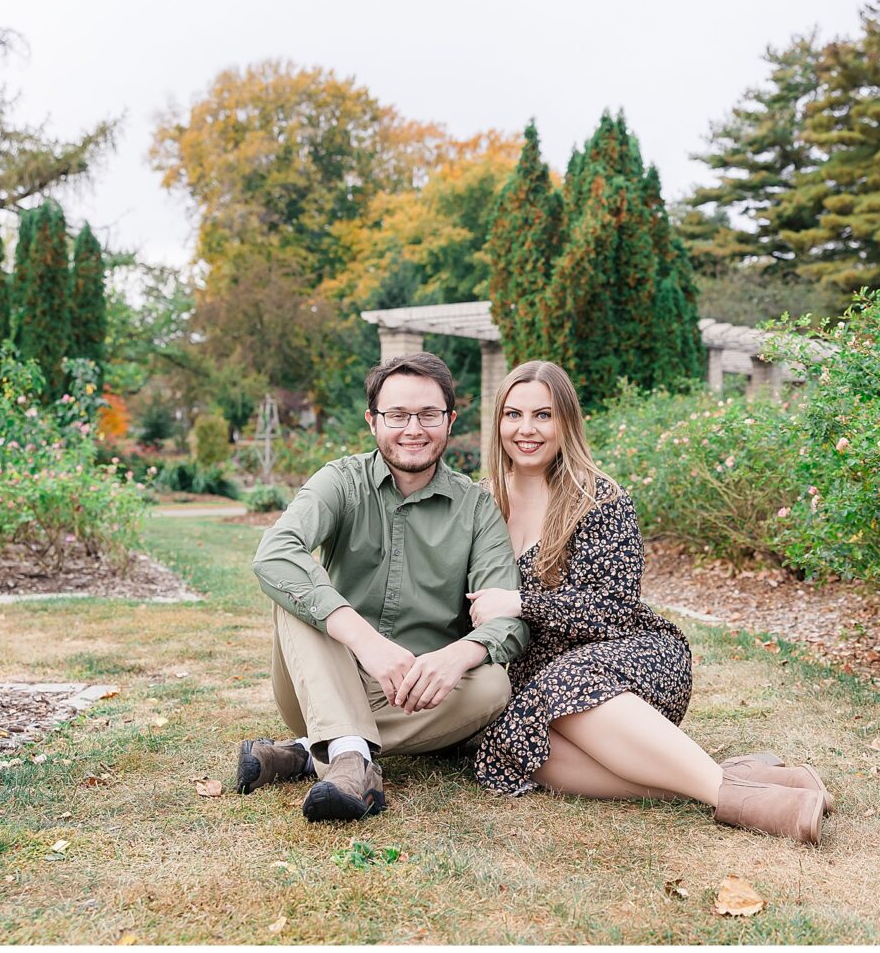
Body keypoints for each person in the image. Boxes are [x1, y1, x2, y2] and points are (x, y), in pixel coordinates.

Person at [468, 360, 830, 844]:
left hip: (630, 660)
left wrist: (519, 602)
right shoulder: (478, 502)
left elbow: (613, 607)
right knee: (508, 743)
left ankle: (747, 803)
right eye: (513, 415)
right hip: (537, 681)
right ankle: (734, 781)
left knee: (567, 680)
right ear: (498, 423)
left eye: (543, 415)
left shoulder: (600, 500)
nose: (526, 429)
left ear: (567, 422)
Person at [244, 352, 530, 822]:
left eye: (428, 415)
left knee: (493, 684)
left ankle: (318, 752)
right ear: (373, 421)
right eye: (397, 415)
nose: (412, 429)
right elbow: (274, 554)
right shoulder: (340, 481)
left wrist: (457, 655)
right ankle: (348, 750)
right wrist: (364, 639)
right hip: (321, 680)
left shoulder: (478, 508)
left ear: (450, 420)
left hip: (416, 695)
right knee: (299, 595)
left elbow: (507, 624)